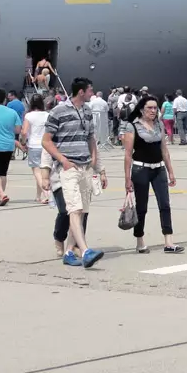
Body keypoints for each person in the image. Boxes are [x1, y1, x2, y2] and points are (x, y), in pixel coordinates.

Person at [43, 77, 107, 267]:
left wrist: (97, 166)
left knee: (82, 211)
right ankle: (86, 250)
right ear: (81, 92)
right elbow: (46, 141)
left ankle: (69, 252)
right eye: (90, 91)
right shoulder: (58, 111)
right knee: (74, 209)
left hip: (85, 167)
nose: (92, 94)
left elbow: (91, 138)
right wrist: (62, 161)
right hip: (68, 168)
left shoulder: (87, 111)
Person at [122, 94, 182, 253]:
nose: (153, 110)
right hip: (140, 169)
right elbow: (128, 154)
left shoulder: (159, 125)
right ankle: (140, 240)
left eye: (155, 108)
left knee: (165, 204)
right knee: (142, 207)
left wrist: (171, 171)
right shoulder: (132, 126)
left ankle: (169, 241)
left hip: (158, 169)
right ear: (141, 109)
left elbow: (164, 149)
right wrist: (127, 179)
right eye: (149, 107)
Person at [23, 95, 50, 203]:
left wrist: (23, 142)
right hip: (46, 144)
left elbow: (24, 132)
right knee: (44, 170)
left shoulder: (29, 116)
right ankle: (39, 195)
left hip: (34, 145)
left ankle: (46, 194)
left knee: (37, 171)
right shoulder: (47, 115)